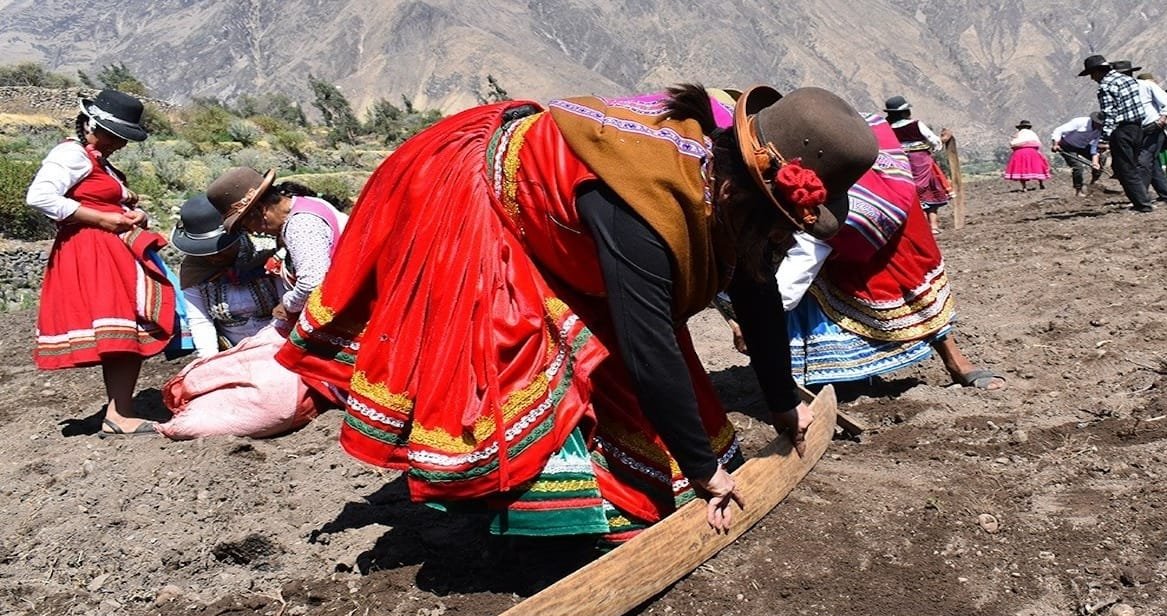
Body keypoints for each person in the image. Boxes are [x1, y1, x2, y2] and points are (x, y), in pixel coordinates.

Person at [275, 84, 878, 541]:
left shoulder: (723, 181)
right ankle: (537, 522)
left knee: (632, 376)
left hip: (573, 227)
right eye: (776, 220)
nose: (778, 236)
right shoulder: (645, 204)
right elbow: (648, 347)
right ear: (740, 192)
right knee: (514, 359)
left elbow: (756, 284)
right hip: (477, 199)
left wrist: (781, 398)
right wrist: (705, 472)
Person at [723, 114, 1003, 391]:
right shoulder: (808, 128)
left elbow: (797, 271)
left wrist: (753, 321)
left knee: (903, 277)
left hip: (870, 223)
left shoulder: (846, 197)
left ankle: (954, 359)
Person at [24, 89, 177, 437]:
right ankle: (120, 414)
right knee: (123, 328)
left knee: (129, 329)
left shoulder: (98, 161)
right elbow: (40, 196)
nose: (121, 144)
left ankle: (119, 411)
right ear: (92, 125)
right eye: (116, 136)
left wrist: (134, 214)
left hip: (107, 251)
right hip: (92, 252)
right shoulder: (70, 155)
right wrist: (101, 219)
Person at [204, 169, 349, 325]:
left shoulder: (300, 224)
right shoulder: (310, 203)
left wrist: (288, 304)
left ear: (260, 210)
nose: (254, 232)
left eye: (246, 225)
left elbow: (312, 283)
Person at [171, 194, 285, 359]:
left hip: (279, 341)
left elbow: (287, 305)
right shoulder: (194, 270)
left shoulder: (266, 254)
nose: (214, 256)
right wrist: (208, 360)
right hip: (233, 351)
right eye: (206, 251)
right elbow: (200, 320)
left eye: (222, 248)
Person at [1079, 54, 1155, 212]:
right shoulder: (1129, 80)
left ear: (1098, 71)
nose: (1092, 78)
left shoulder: (1106, 86)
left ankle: (1142, 204)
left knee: (1124, 168)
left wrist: (1104, 138)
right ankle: (1143, 199)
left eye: (1092, 74)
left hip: (1122, 130)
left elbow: (1110, 114)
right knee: (1132, 165)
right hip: (1137, 127)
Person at [1113, 61, 1167, 205]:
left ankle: (1141, 199)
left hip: (1152, 128)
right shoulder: (1116, 90)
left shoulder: (1147, 86)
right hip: (1132, 131)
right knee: (1151, 164)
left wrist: (1163, 117)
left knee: (1143, 162)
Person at [883, 95, 951, 233]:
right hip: (921, 160)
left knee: (907, 190)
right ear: (904, 112)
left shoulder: (886, 127)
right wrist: (943, 140)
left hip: (898, 161)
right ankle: (933, 226)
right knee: (929, 190)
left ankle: (918, 226)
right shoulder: (916, 124)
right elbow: (934, 141)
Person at [1050, 111, 1105, 196]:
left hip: (1083, 146)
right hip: (1067, 145)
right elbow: (1058, 130)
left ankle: (1094, 182)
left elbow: (1094, 146)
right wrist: (1055, 144)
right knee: (1078, 167)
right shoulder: (1079, 122)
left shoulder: (1100, 130)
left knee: (1102, 158)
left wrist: (1095, 162)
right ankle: (1078, 190)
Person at [1003, 120, 1052, 191]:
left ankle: (1024, 187)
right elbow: (1038, 143)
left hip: (1020, 152)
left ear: (1020, 127)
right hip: (1032, 152)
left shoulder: (1018, 134)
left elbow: (1013, 143)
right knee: (1038, 167)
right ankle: (1041, 183)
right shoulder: (1033, 134)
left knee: (1021, 169)